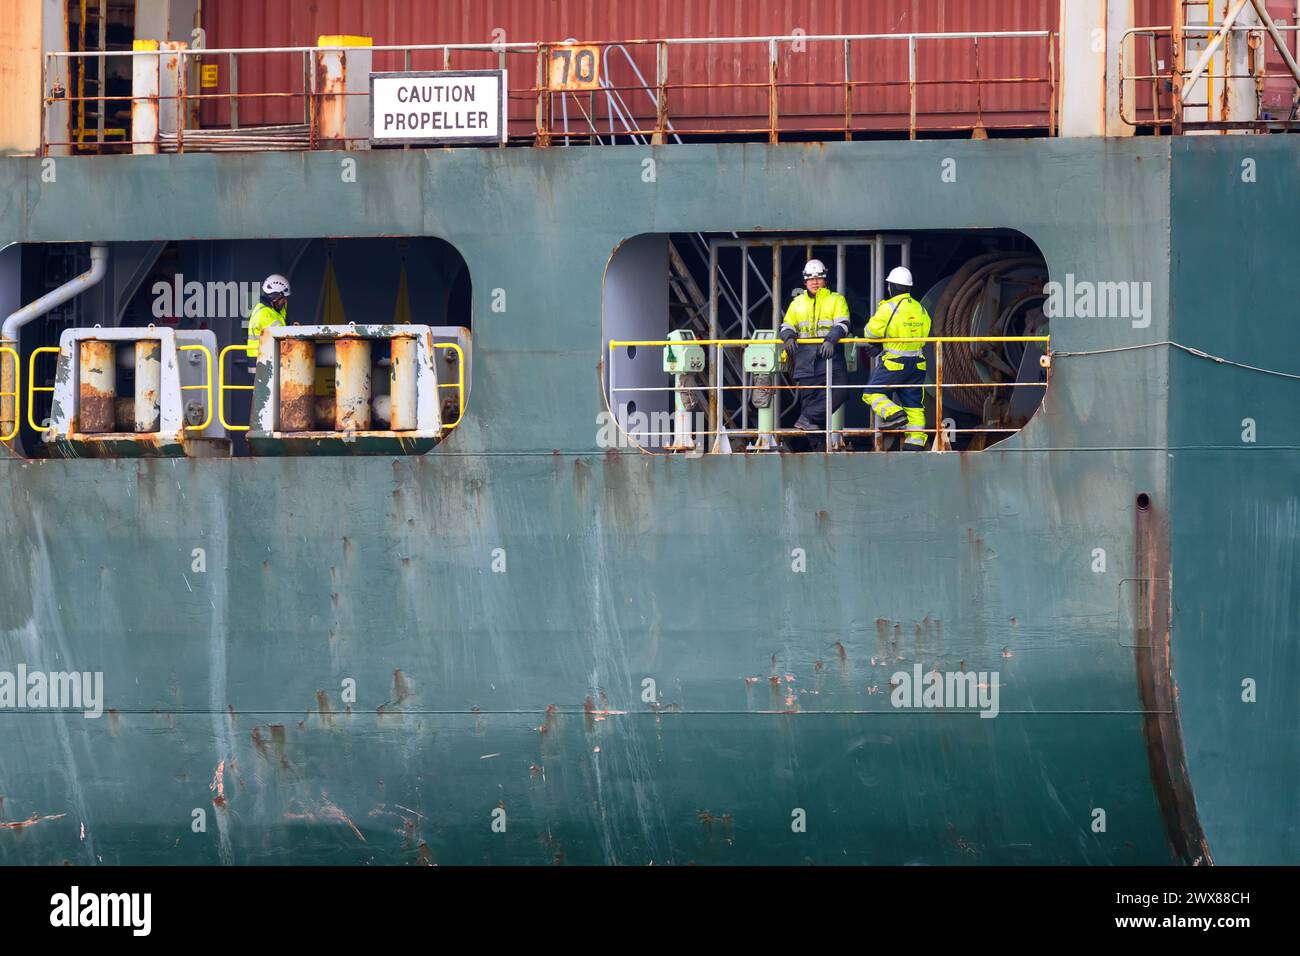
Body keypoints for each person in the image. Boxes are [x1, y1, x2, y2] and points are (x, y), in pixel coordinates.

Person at [779, 259, 850, 447]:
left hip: (830, 356)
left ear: (825, 280)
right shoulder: (797, 303)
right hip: (805, 360)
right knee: (809, 404)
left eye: (818, 278)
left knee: (840, 392)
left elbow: (843, 323)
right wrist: (788, 338)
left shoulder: (836, 299)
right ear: (805, 282)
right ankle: (816, 447)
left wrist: (831, 340)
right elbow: (786, 325)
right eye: (811, 279)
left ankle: (806, 418)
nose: (815, 282)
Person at [862, 266, 931, 448]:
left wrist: (882, 342)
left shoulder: (889, 307)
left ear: (891, 286)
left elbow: (870, 332)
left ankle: (894, 414)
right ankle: (915, 444)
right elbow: (926, 331)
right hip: (918, 365)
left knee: (871, 393)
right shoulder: (921, 308)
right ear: (908, 287)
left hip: (895, 363)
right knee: (914, 405)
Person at [245, 274, 291, 358]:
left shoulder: (274, 310)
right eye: (283, 298)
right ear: (275, 297)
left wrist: (293, 328)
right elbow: (282, 336)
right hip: (260, 360)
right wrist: (296, 331)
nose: (285, 301)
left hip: (267, 356)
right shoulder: (263, 314)